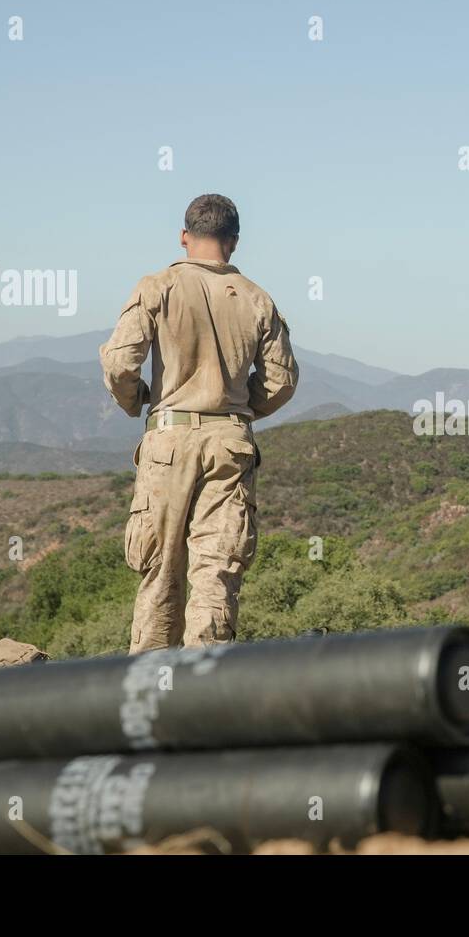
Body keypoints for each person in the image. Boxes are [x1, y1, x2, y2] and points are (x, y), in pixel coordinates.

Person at [100, 194, 298, 653]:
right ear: (233, 242)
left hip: (168, 442)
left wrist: (141, 403)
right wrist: (238, 410)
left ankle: (150, 691)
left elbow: (119, 363)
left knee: (160, 572)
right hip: (230, 444)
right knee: (216, 572)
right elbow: (282, 380)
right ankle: (204, 689)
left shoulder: (156, 287)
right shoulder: (256, 299)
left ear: (184, 236)